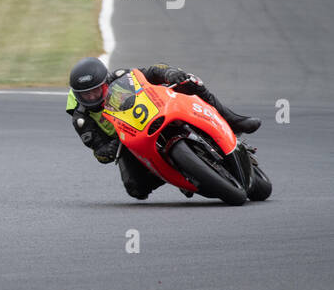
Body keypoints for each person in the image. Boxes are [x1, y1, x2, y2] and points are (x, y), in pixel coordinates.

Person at [66, 57, 262, 200]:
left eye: (95, 91)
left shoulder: (120, 78)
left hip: (158, 112)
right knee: (136, 190)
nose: (91, 97)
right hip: (129, 142)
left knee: (190, 83)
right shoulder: (82, 119)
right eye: (86, 95)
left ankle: (233, 120)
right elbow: (99, 153)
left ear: (105, 83)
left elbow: (151, 72)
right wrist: (107, 150)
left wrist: (168, 73)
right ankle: (179, 172)